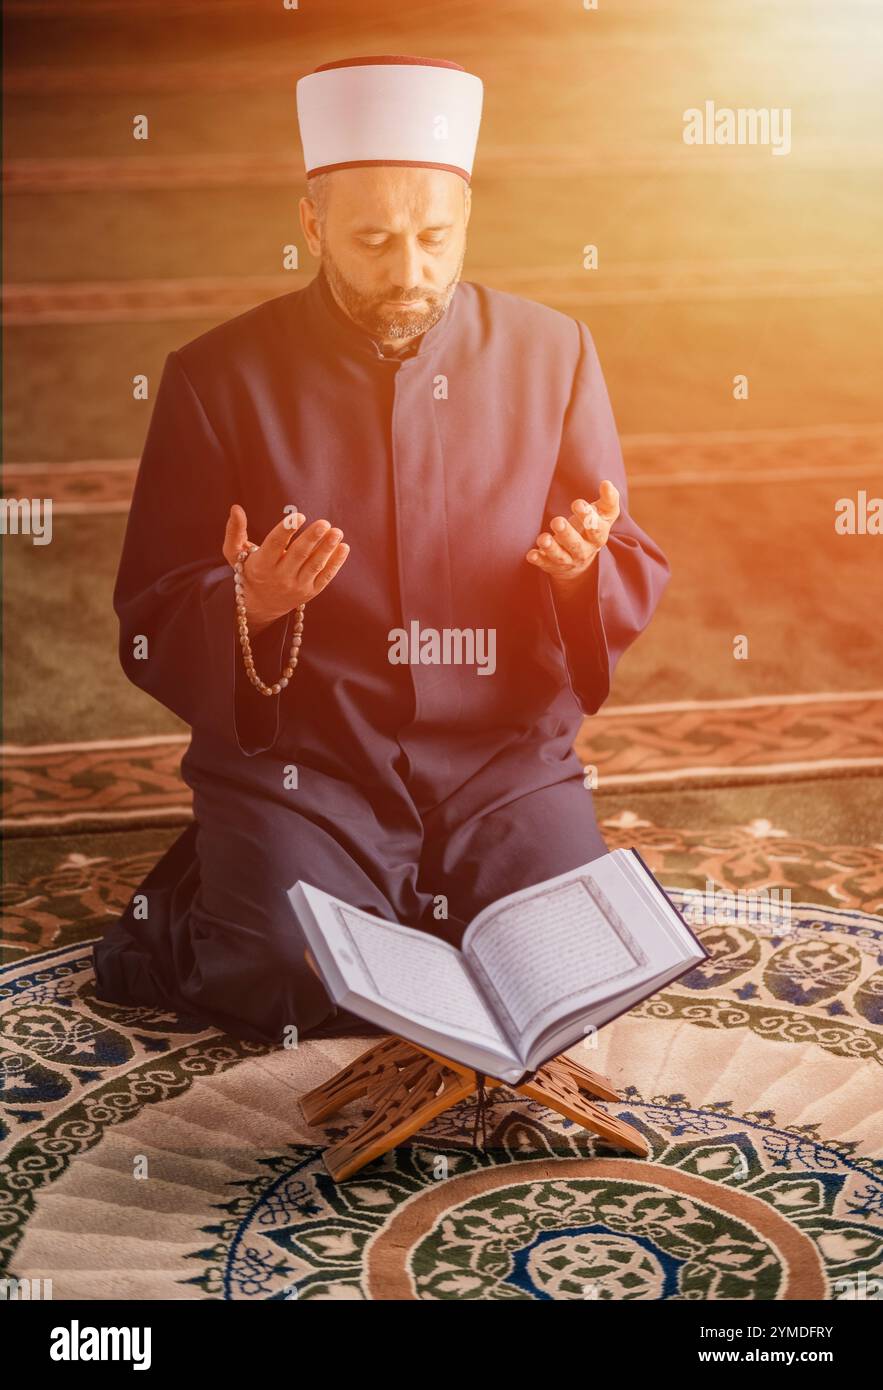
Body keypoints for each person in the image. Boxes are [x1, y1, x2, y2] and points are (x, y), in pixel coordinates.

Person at [92, 55, 671, 1045]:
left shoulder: (554, 351)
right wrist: (250, 603)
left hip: (501, 761)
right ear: (312, 226)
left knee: (575, 970)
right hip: (311, 764)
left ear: (465, 222)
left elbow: (618, 544)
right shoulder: (214, 376)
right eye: (372, 239)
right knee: (282, 970)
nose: (408, 271)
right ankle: (211, 896)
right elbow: (150, 609)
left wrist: (583, 571)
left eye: (432, 238)